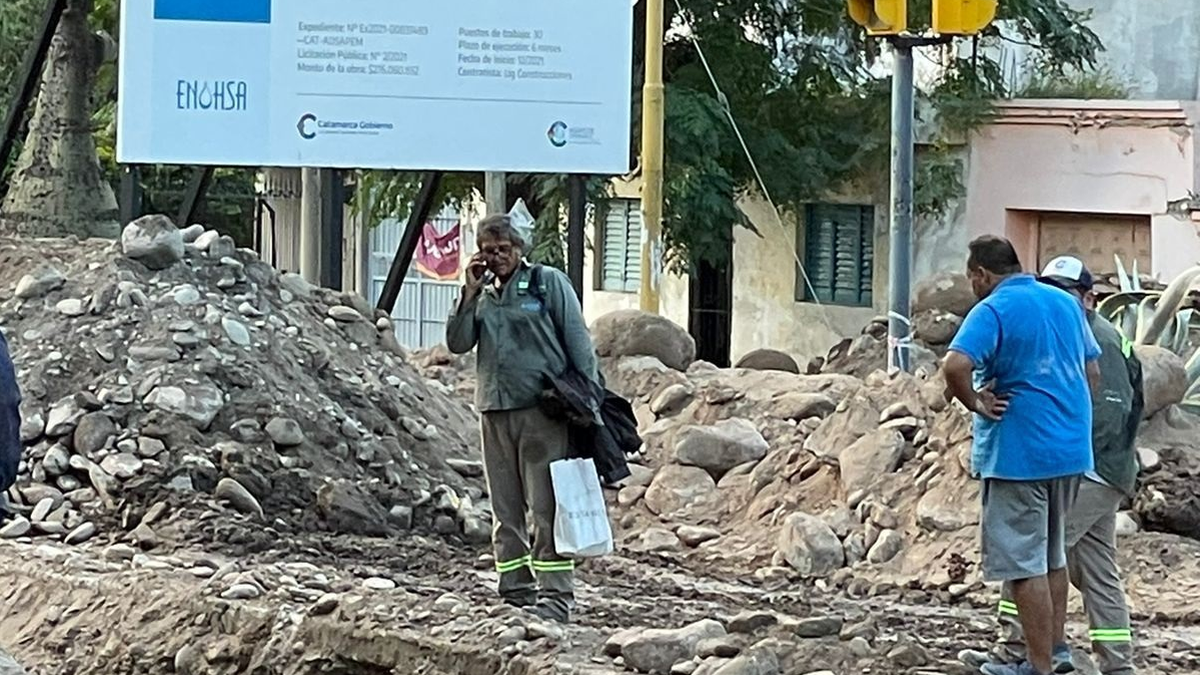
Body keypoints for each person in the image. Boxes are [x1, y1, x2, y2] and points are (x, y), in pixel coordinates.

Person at [968, 256, 1141, 675]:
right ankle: (1118, 664)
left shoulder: (1098, 334)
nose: (1058, 298)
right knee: (1097, 570)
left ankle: (1022, 650)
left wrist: (1074, 460)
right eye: (1053, 288)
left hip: (1092, 469)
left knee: (1034, 558)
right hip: (1106, 469)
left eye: (1068, 292)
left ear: (1089, 297)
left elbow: (1109, 408)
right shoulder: (1075, 329)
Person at [943, 236, 1102, 675]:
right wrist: (1070, 419)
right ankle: (1057, 651)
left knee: (1022, 564)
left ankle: (1038, 666)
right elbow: (1092, 371)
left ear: (981, 274)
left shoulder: (993, 309)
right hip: (1069, 452)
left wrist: (975, 402)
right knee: (1053, 556)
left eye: (970, 277)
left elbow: (955, 366)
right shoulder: (1065, 304)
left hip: (1020, 453)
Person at [446, 213, 598, 624]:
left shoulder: (547, 284)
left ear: (519, 249)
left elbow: (578, 342)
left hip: (541, 411)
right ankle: (514, 588)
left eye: (503, 250)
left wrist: (589, 398)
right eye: (488, 250)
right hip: (494, 411)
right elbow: (457, 343)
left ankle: (555, 596)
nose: (495, 258)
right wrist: (468, 293)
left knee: (545, 505)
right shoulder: (482, 294)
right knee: (504, 506)